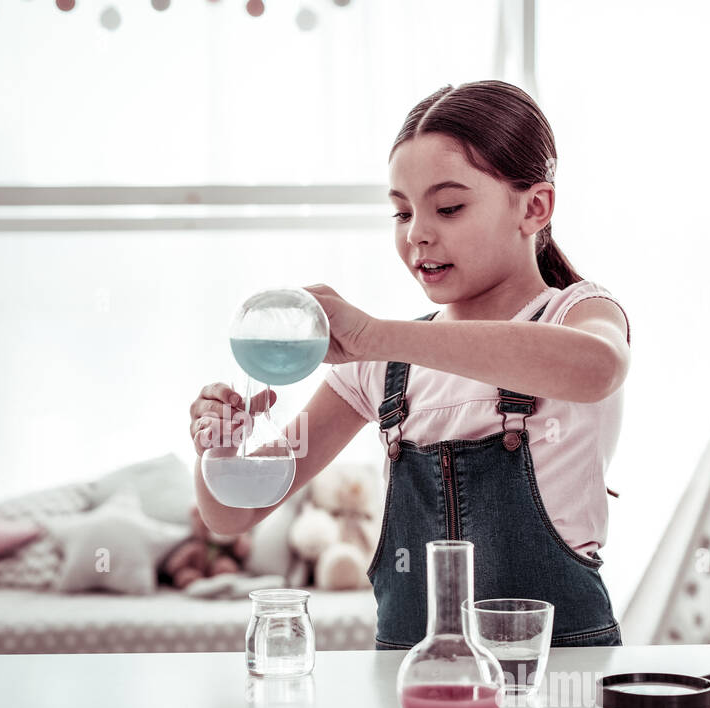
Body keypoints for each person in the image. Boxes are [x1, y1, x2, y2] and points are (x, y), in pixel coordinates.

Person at [188, 80, 630, 650]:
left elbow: (596, 370)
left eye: (448, 207)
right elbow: (233, 513)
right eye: (401, 212)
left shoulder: (574, 312)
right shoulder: (379, 367)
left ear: (534, 207)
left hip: (554, 677)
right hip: (416, 683)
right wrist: (219, 450)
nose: (418, 233)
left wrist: (376, 336)